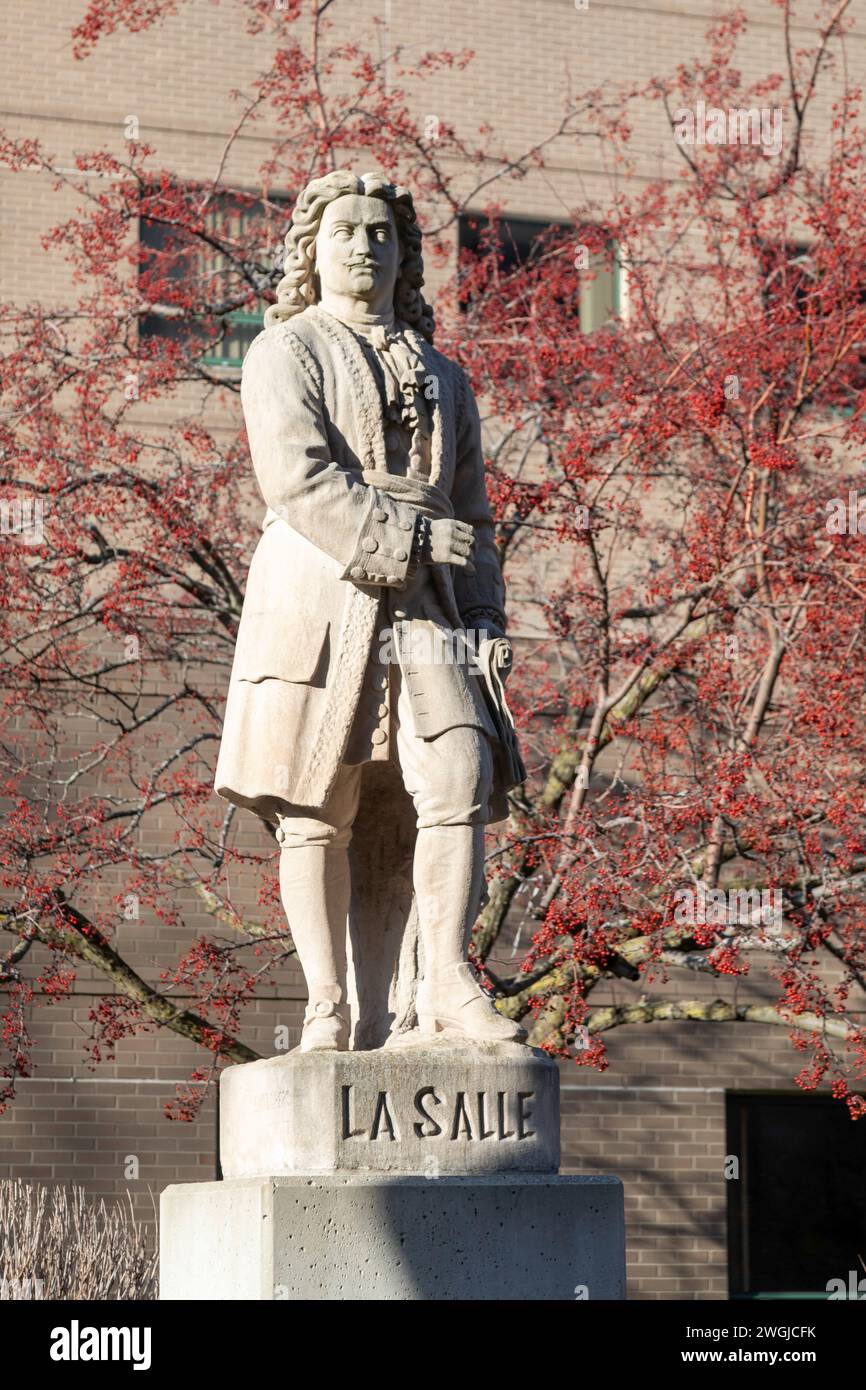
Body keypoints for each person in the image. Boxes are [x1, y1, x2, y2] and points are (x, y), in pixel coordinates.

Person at [215, 170, 526, 1051]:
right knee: (320, 801)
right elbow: (299, 479)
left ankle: (450, 985)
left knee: (458, 775)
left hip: (431, 605)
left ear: (404, 253)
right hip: (319, 594)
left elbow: (473, 516)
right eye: (346, 230)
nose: (364, 245)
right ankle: (328, 1006)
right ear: (312, 251)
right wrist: (409, 537)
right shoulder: (285, 351)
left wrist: (487, 617)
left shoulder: (447, 377)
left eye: (381, 232)